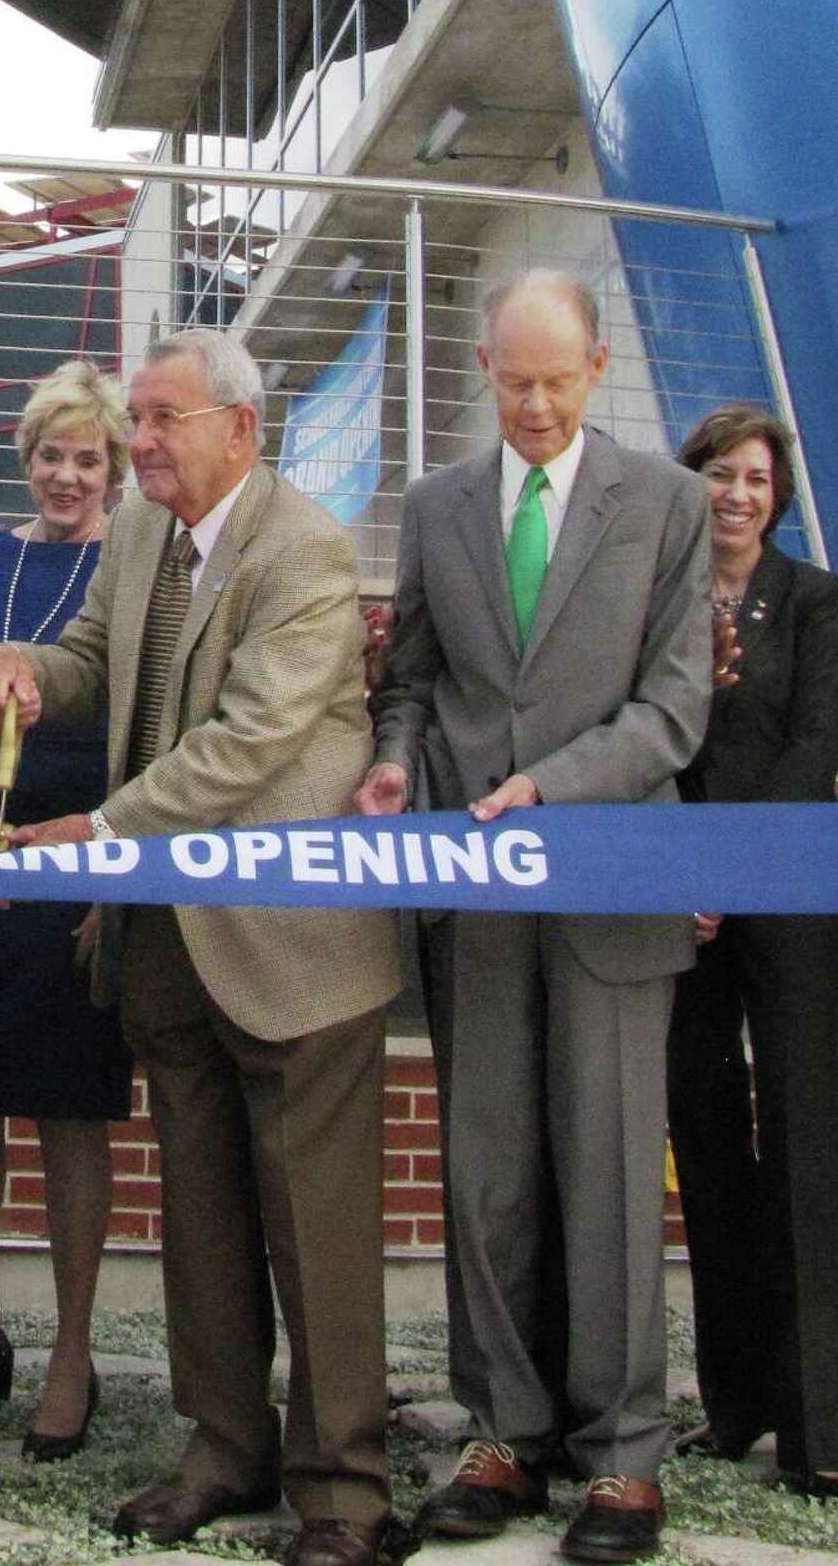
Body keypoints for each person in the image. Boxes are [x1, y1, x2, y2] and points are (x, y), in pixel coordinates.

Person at [0, 328, 400, 1566]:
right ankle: (224, 1449)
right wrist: (32, 674)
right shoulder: (138, 535)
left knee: (316, 1234)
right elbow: (102, 664)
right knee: (204, 1223)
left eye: (162, 419)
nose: (140, 442)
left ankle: (344, 1497)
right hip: (167, 944)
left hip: (294, 950)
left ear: (239, 428)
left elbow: (253, 740)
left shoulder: (309, 548)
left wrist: (101, 828)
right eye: (137, 422)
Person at [362, 270, 712, 1563]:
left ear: (599, 366)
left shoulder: (667, 506)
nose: (538, 405)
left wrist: (546, 787)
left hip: (611, 887)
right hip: (476, 902)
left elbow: (675, 708)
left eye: (560, 381)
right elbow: (410, 678)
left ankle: (624, 1457)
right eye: (516, 382)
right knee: (488, 1169)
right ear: (484, 369)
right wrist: (397, 762)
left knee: (615, 1174)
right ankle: (501, 1435)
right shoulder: (437, 505)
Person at [0, 359, 132, 1460]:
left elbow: (137, 733)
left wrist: (113, 882)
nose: (68, 475)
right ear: (27, 462)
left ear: (112, 468)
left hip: (72, 876)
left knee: (68, 1118)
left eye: (89, 458)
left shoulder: (129, 568)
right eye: (52, 456)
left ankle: (70, 1347)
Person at [663, 404, 838, 1496]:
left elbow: (819, 743)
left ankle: (820, 1424)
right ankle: (736, 1402)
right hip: (680, 909)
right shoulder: (660, 598)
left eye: (757, 479)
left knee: (809, 1147)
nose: (737, 494)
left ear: (777, 496)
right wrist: (683, 867)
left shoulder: (816, 601)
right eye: (722, 474)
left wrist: (732, 865)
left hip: (786, 901)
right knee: (710, 1144)